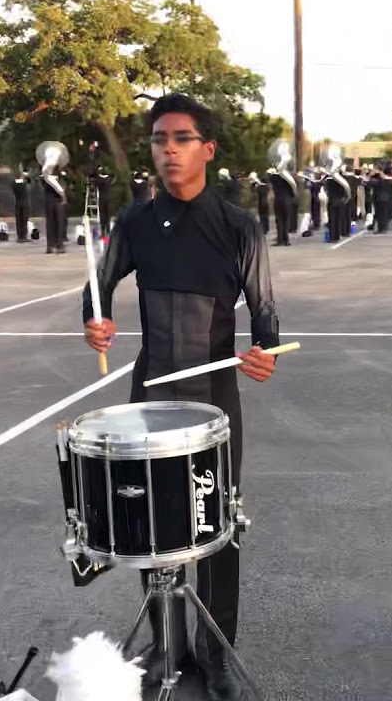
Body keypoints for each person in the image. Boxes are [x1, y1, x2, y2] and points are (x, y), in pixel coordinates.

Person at [82, 93, 281, 701]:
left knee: (218, 521)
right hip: (151, 390)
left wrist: (264, 351)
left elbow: (265, 307)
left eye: (181, 139)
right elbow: (99, 286)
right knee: (152, 520)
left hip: (216, 392)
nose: (168, 150)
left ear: (207, 149)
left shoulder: (238, 226)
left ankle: (214, 650)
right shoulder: (134, 221)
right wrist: (96, 320)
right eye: (159, 140)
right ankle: (165, 641)